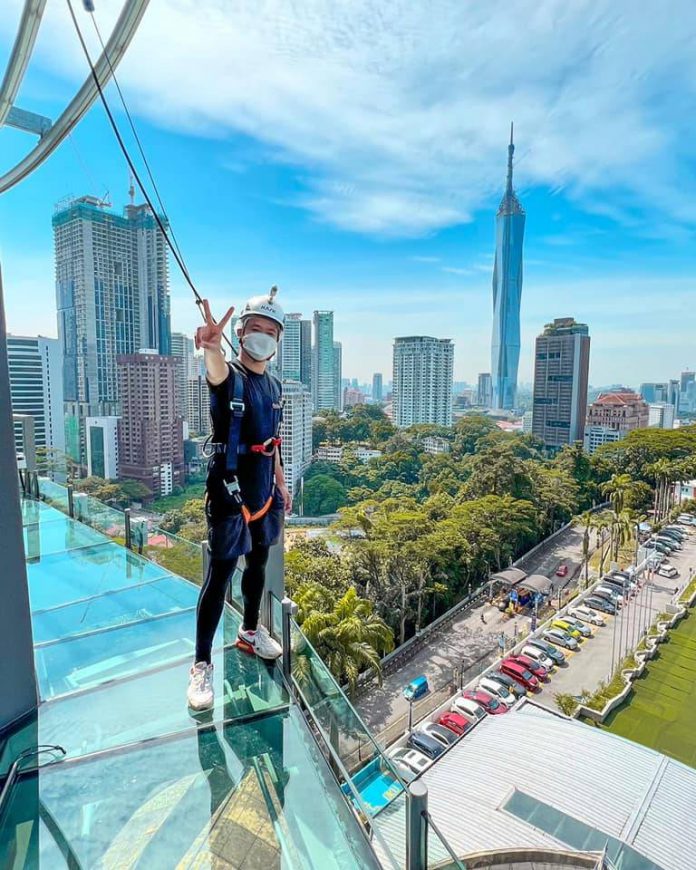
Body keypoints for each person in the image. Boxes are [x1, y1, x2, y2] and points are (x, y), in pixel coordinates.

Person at [187, 289, 292, 711]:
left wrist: (281, 484)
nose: (262, 336)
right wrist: (211, 348)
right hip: (230, 494)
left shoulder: (275, 386)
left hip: (263, 493)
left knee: (259, 566)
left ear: (278, 340)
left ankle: (250, 632)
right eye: (256, 328)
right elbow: (215, 373)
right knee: (220, 578)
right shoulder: (230, 377)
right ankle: (200, 665)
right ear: (242, 333)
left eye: (271, 331)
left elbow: (273, 443)